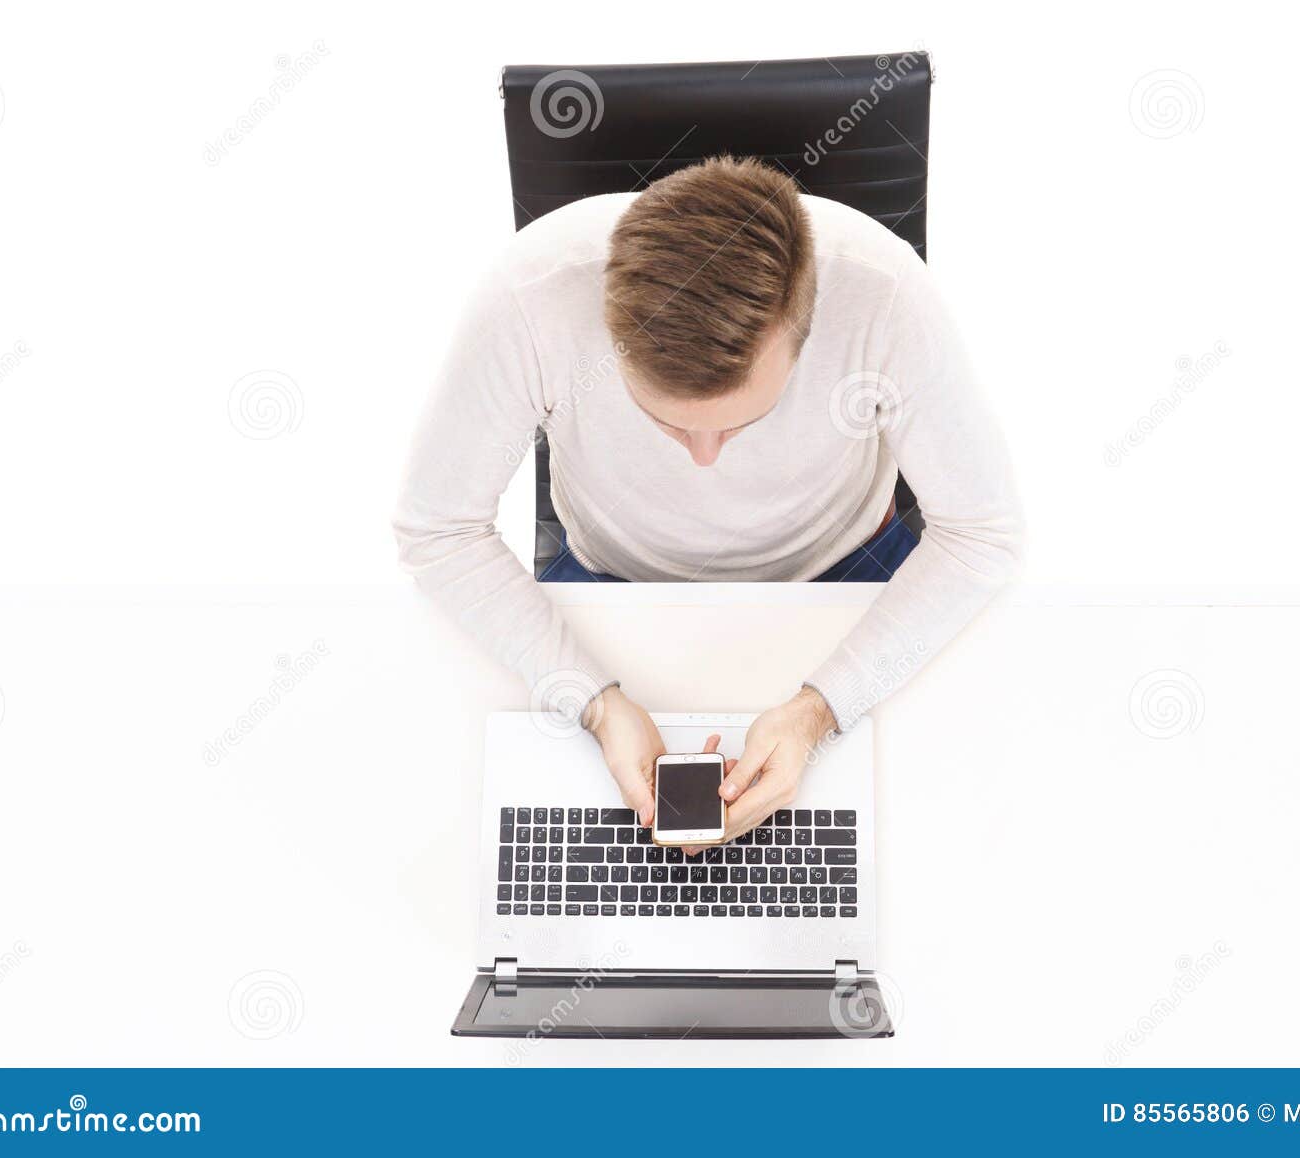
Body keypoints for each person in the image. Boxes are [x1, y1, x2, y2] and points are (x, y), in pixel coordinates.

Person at [394, 156, 1023, 843]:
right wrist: (592, 698)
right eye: (666, 421)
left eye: (741, 421)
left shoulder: (886, 292)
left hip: (851, 573)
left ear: (804, 327)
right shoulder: (528, 296)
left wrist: (822, 708)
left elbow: (982, 533)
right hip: (611, 584)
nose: (704, 460)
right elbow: (438, 529)